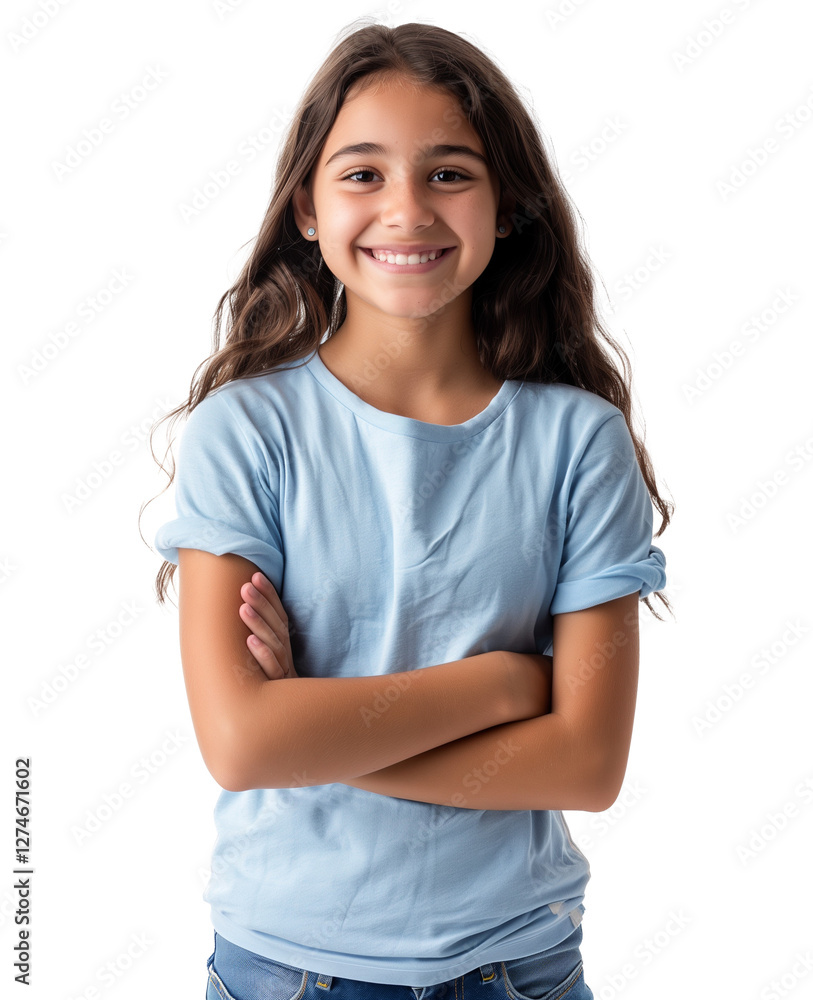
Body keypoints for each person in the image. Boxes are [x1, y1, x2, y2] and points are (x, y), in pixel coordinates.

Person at [148, 18, 672, 1000]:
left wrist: (317, 727)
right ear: (306, 209)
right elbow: (243, 745)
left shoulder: (578, 442)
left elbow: (586, 764)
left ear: (506, 206)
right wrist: (505, 684)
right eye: (362, 173)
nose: (406, 209)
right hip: (287, 971)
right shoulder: (245, 432)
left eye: (448, 173)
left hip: (517, 968)